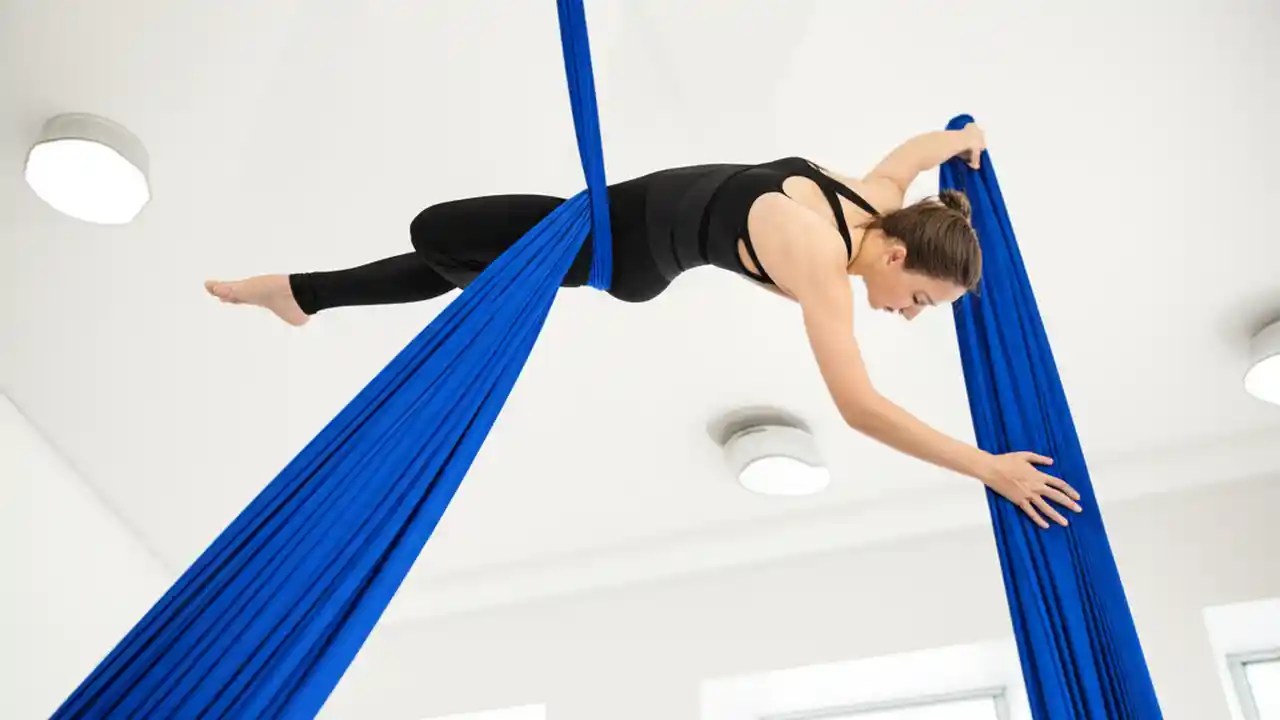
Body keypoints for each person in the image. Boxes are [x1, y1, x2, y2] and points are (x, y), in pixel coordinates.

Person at [205, 122, 1082, 529]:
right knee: (444, 243)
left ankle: (301, 294)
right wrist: (986, 468)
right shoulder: (824, 260)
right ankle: (300, 294)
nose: (909, 317)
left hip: (607, 244)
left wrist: (966, 136)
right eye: (922, 301)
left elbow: (915, 152)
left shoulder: (873, 200)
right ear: (894, 257)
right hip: (606, 240)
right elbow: (858, 405)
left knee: (459, 248)